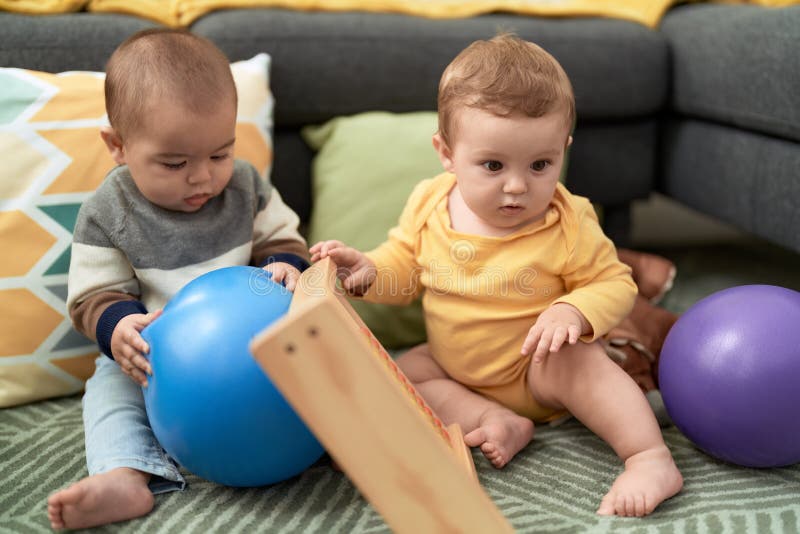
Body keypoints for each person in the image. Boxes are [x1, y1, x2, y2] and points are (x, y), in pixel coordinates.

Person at [311, 34, 683, 517]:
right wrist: (368, 270)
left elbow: (615, 284)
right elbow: (402, 264)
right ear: (446, 152)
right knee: (397, 378)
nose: (516, 186)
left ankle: (649, 457)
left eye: (540, 165)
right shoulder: (429, 202)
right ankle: (495, 420)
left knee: (583, 363)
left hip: (537, 369)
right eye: (492, 165)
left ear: (563, 149)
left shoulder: (568, 221)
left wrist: (573, 309)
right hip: (454, 364)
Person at [47, 29, 309, 530]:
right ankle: (124, 475)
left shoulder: (245, 185)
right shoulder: (108, 212)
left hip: (261, 347)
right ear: (118, 146)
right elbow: (93, 296)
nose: (202, 178)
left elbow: (285, 239)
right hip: (156, 358)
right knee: (107, 391)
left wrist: (284, 266)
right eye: (174, 163)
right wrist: (122, 330)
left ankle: (349, 441)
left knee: (334, 358)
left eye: (219, 154)